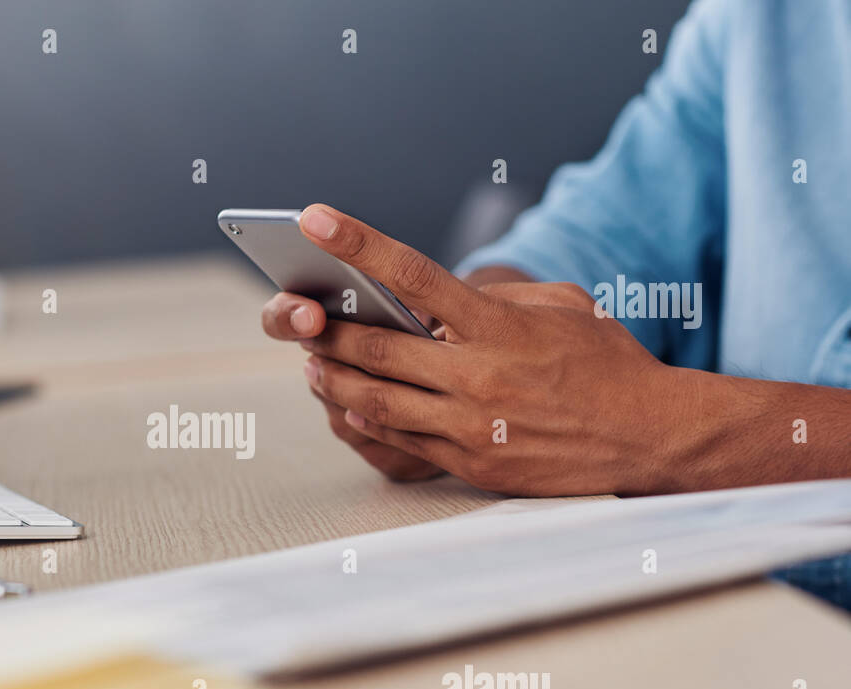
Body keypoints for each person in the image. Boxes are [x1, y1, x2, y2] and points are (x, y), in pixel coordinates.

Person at [258, 0, 851, 607]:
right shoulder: (762, 16)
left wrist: (656, 425)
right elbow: (613, 224)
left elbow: (643, 418)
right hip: (727, 599)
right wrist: (457, 345)